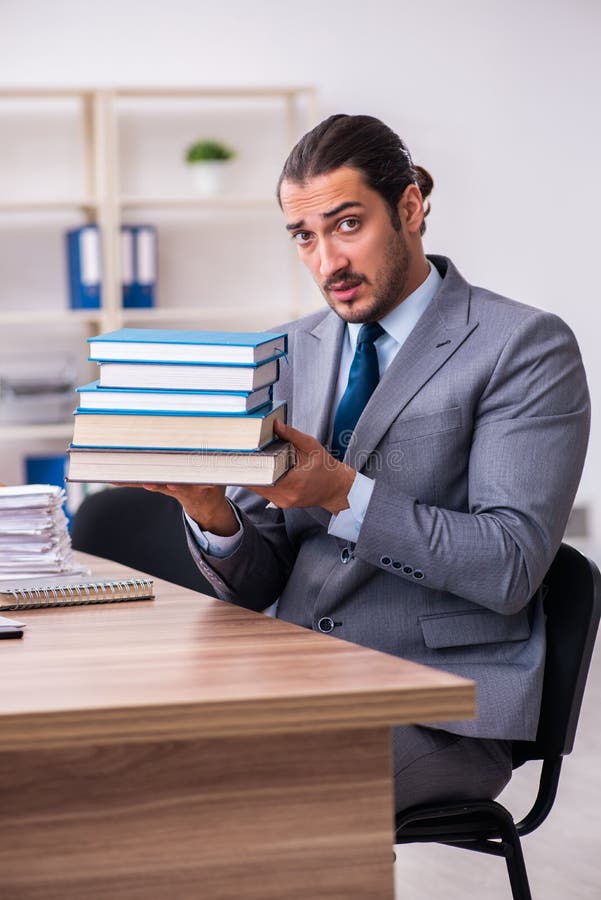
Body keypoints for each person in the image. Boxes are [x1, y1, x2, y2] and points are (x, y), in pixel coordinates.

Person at [145, 114, 590, 813]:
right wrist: (209, 508)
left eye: (347, 225)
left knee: (235, 803)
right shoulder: (287, 350)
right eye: (304, 237)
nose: (327, 263)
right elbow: (262, 577)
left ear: (409, 208)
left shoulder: (522, 346)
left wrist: (342, 493)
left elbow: (508, 565)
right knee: (120, 775)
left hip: (438, 705)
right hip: (296, 680)